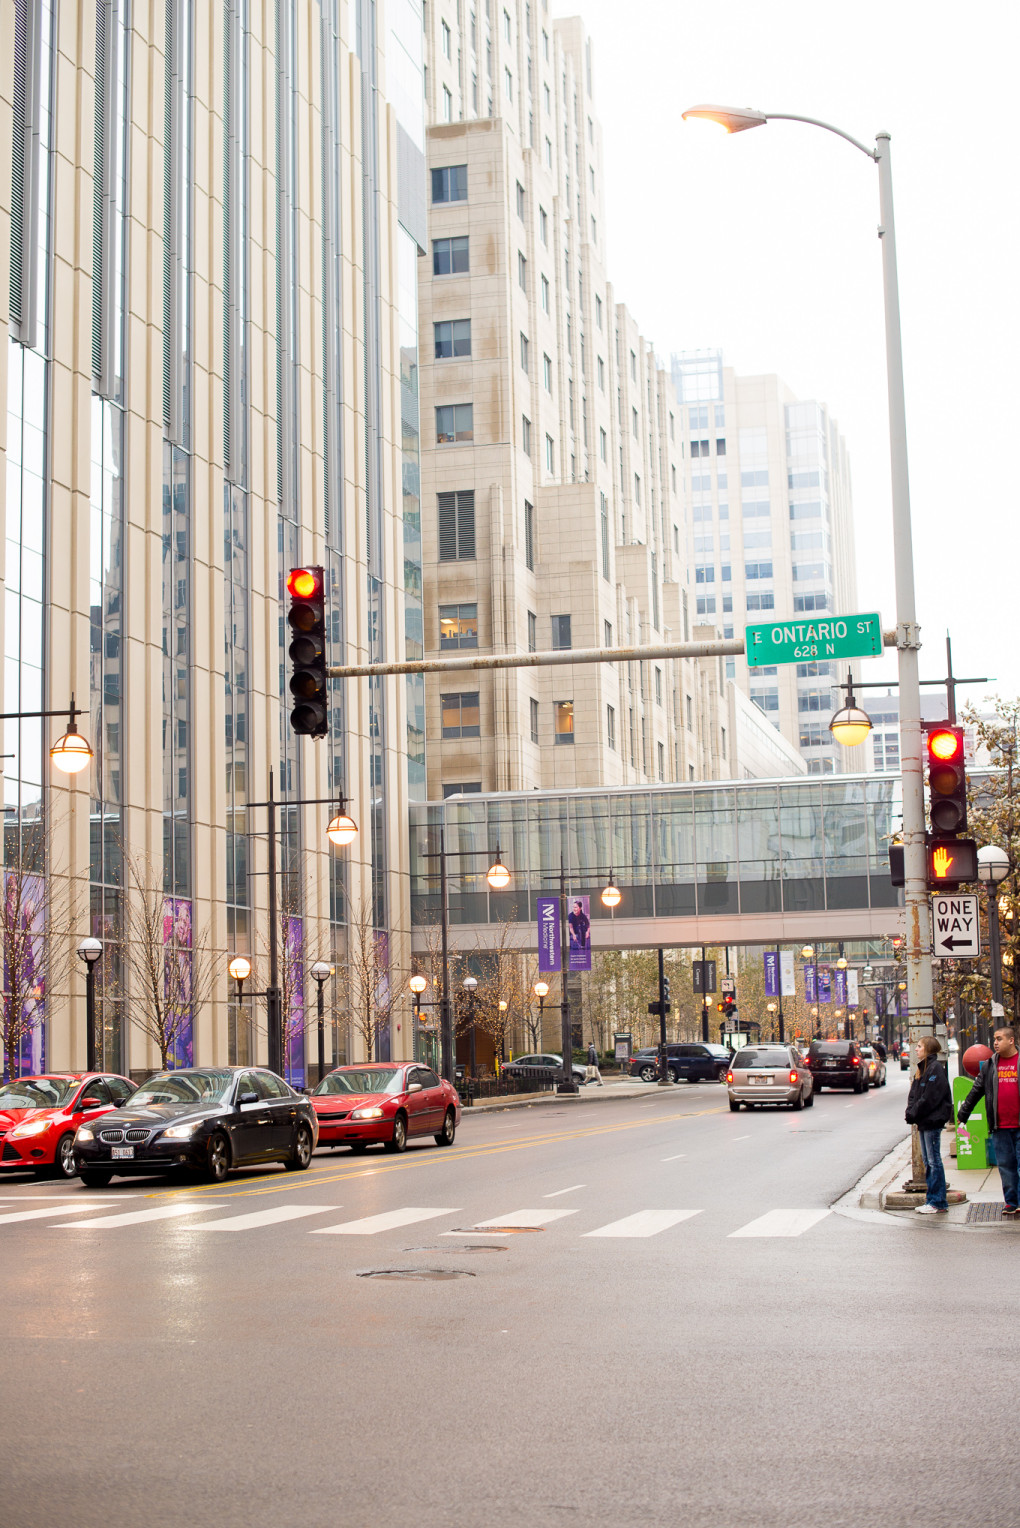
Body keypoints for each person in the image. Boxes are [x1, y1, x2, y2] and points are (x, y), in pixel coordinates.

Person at [958, 1026, 1020, 1215]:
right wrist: (963, 1113)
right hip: (1000, 1125)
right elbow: (977, 1090)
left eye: (999, 1038)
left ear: (1011, 1040)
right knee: (1006, 1166)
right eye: (994, 1038)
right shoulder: (991, 1064)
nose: (995, 1042)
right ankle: (1011, 1202)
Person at [905, 1036, 952, 1214]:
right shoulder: (923, 1069)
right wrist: (911, 1111)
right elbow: (914, 1094)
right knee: (929, 1161)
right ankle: (932, 1199)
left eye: (919, 1046)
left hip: (932, 1120)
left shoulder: (935, 1069)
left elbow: (930, 1097)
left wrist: (913, 1112)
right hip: (924, 1121)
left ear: (928, 1049)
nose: (916, 1049)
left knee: (933, 1161)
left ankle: (938, 1201)